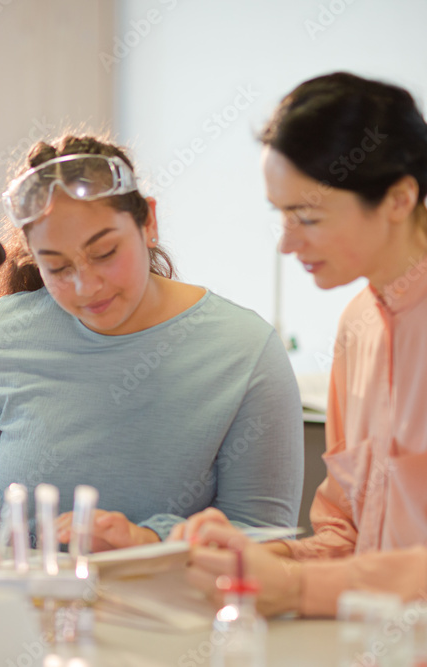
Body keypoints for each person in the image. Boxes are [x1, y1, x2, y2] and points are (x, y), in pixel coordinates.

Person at [0, 135, 304, 549]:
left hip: (175, 608)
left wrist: (147, 541)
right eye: (57, 266)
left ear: (148, 223)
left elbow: (266, 540)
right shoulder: (3, 338)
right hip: (28, 604)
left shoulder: (245, 351)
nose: (85, 286)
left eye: (104, 253)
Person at [178, 72, 427, 617]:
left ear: (399, 198)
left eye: (307, 217)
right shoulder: (358, 328)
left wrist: (293, 589)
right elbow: (349, 541)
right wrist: (261, 559)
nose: (287, 243)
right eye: (281, 215)